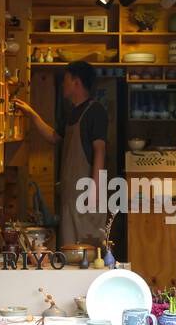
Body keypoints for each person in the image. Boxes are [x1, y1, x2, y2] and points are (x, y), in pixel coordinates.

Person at [16, 60, 109, 247]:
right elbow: (53, 136)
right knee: (70, 250)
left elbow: (100, 151)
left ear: (77, 82)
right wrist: (31, 113)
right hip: (71, 197)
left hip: (87, 195)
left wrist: (95, 191)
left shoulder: (95, 111)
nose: (62, 84)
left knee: (89, 253)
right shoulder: (72, 113)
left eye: (65, 80)